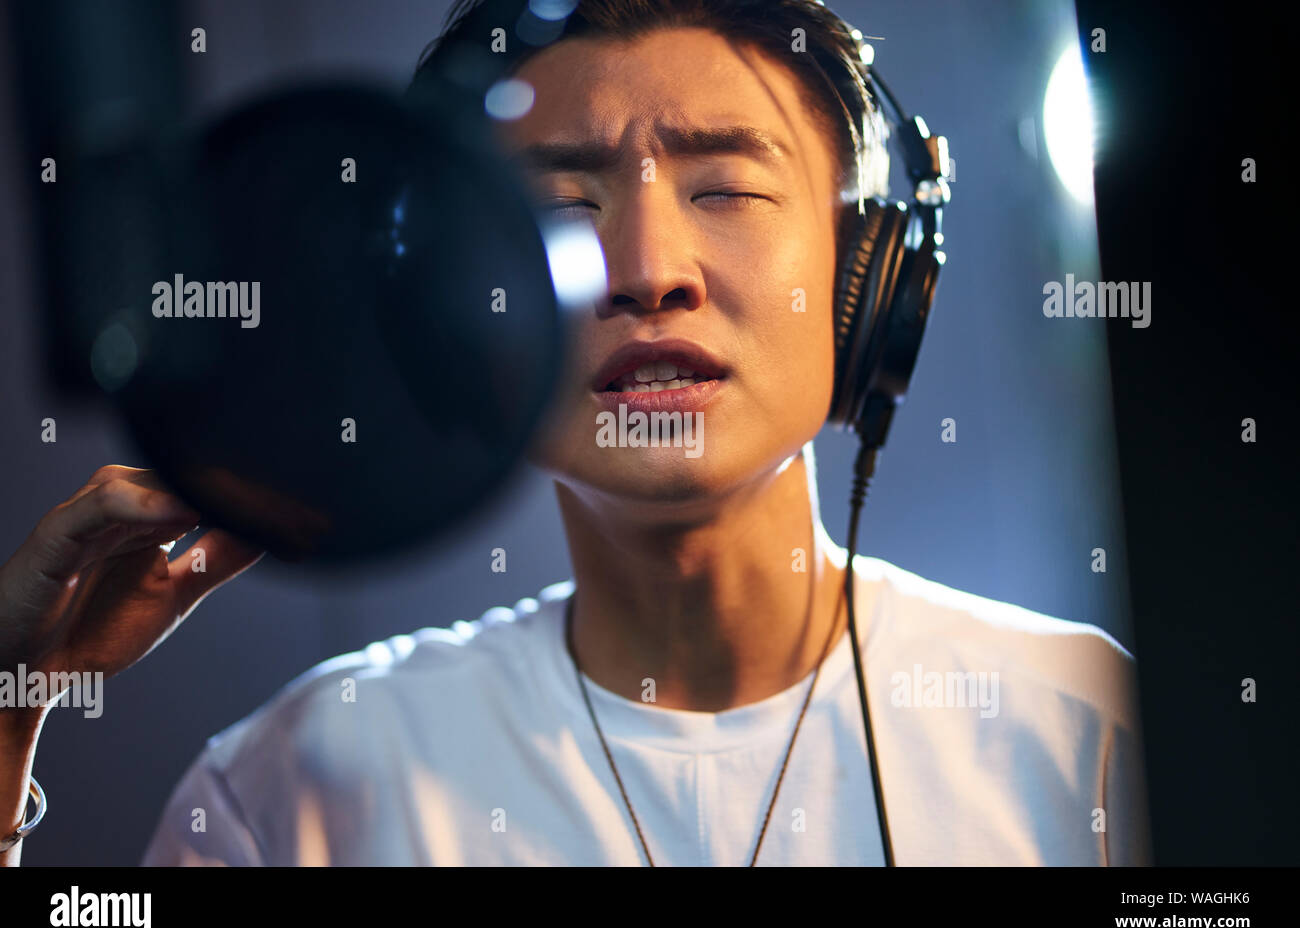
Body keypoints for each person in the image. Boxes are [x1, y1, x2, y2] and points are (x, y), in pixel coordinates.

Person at [0, 0, 1151, 866]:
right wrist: (7, 718)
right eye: (559, 209)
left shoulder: (1091, 734)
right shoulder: (298, 785)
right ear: (455, 325)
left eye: (724, 189)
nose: (645, 271)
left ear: (870, 279)